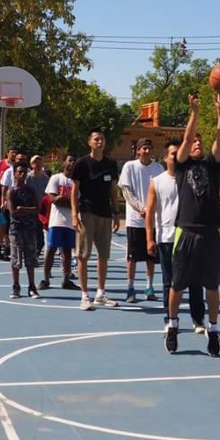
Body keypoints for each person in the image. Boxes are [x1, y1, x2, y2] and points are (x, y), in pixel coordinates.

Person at [166, 93, 220, 356]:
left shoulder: (211, 165)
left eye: (200, 142)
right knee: (177, 284)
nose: (197, 144)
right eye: (193, 143)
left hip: (211, 233)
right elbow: (187, 139)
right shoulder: (182, 166)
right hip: (187, 232)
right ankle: (172, 326)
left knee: (212, 286)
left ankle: (212, 331)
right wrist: (194, 112)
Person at [146, 139, 206, 334]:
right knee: (169, 282)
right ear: (165, 158)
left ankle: (198, 319)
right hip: (167, 238)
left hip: (189, 236)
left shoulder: (190, 176)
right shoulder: (157, 182)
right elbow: (150, 211)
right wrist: (150, 237)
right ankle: (171, 319)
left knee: (195, 281)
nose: (177, 156)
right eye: (173, 154)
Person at [71, 130, 121, 310]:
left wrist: (116, 213)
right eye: (96, 139)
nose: (100, 142)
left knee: (103, 256)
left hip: (105, 214)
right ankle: (85, 295)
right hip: (86, 213)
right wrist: (74, 214)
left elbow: (113, 191)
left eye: (102, 139)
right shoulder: (81, 164)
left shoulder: (111, 164)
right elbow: (74, 191)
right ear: (89, 142)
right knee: (83, 255)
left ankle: (101, 293)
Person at [119, 137, 164, 303]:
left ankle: (149, 286)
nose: (146, 151)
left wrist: (153, 211)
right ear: (138, 150)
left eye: (149, 148)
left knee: (150, 255)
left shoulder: (158, 168)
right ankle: (130, 288)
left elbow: (162, 191)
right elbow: (126, 191)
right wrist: (141, 208)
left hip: (153, 221)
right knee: (132, 257)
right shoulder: (129, 167)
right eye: (143, 148)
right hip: (135, 220)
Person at [6, 162, 42, 299]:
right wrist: (25, 210)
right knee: (16, 259)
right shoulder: (12, 191)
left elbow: (37, 209)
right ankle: (16, 287)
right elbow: (13, 212)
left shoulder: (31, 190)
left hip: (30, 228)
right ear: (14, 173)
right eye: (19, 172)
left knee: (30, 259)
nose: (22, 175)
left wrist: (24, 209)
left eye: (24, 172)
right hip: (16, 229)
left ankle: (32, 287)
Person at [42, 155, 77, 291]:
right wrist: (67, 200)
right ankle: (45, 279)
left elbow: (77, 203)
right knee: (51, 249)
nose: (72, 163)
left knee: (67, 252)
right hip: (56, 221)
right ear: (64, 162)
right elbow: (53, 199)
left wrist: (64, 199)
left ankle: (66, 279)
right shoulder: (56, 178)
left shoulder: (76, 181)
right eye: (70, 160)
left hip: (70, 222)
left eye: (74, 161)